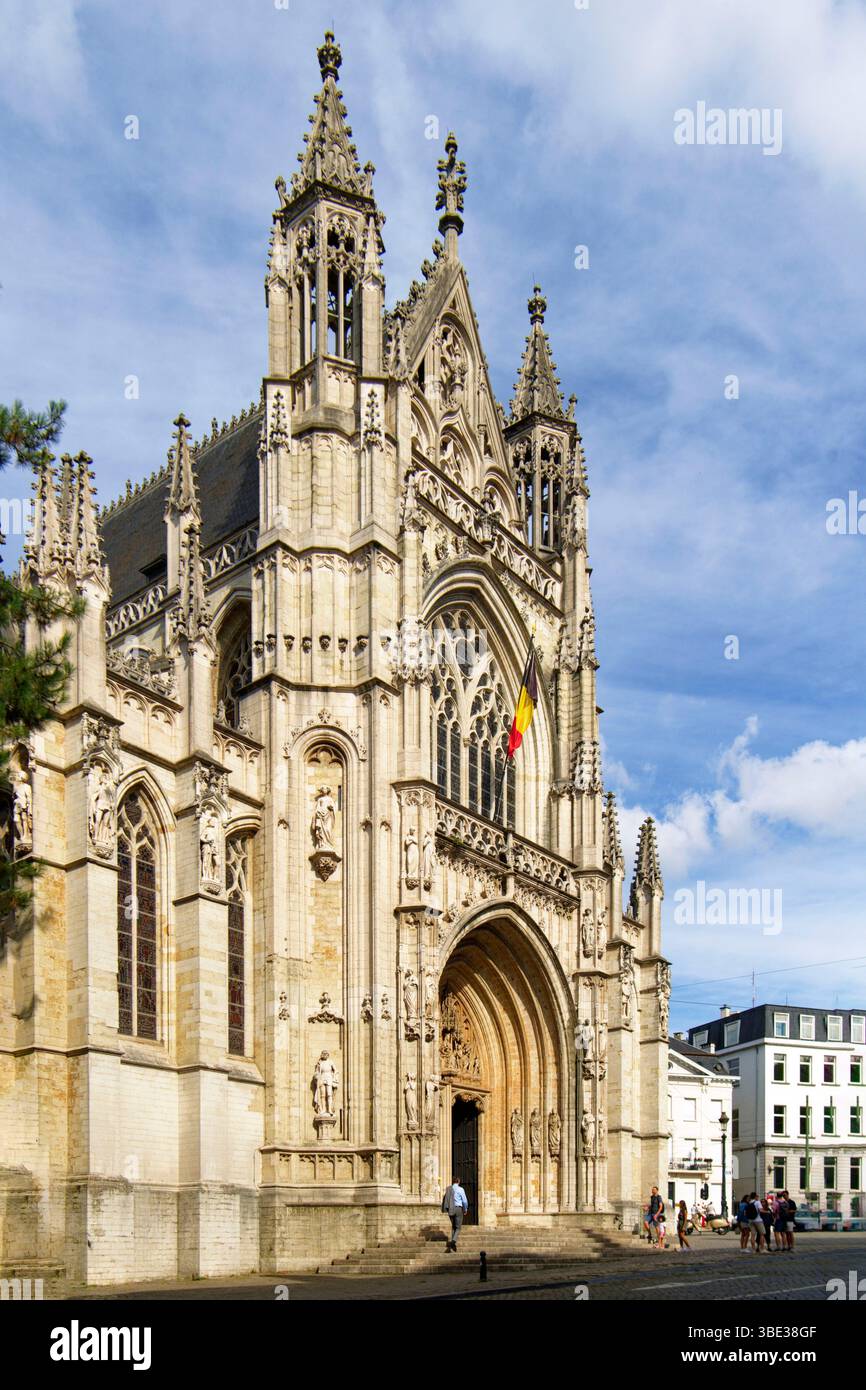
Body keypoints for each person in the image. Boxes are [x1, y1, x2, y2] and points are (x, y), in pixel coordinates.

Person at [441, 1175, 469, 1252]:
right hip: (458, 1208)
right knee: (458, 1227)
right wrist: (465, 1209)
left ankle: (453, 1245)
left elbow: (445, 1199)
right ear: (458, 1181)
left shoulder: (448, 1189)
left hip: (450, 1209)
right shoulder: (460, 1189)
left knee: (453, 1226)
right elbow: (464, 1201)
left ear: (452, 1181)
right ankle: (453, 1241)